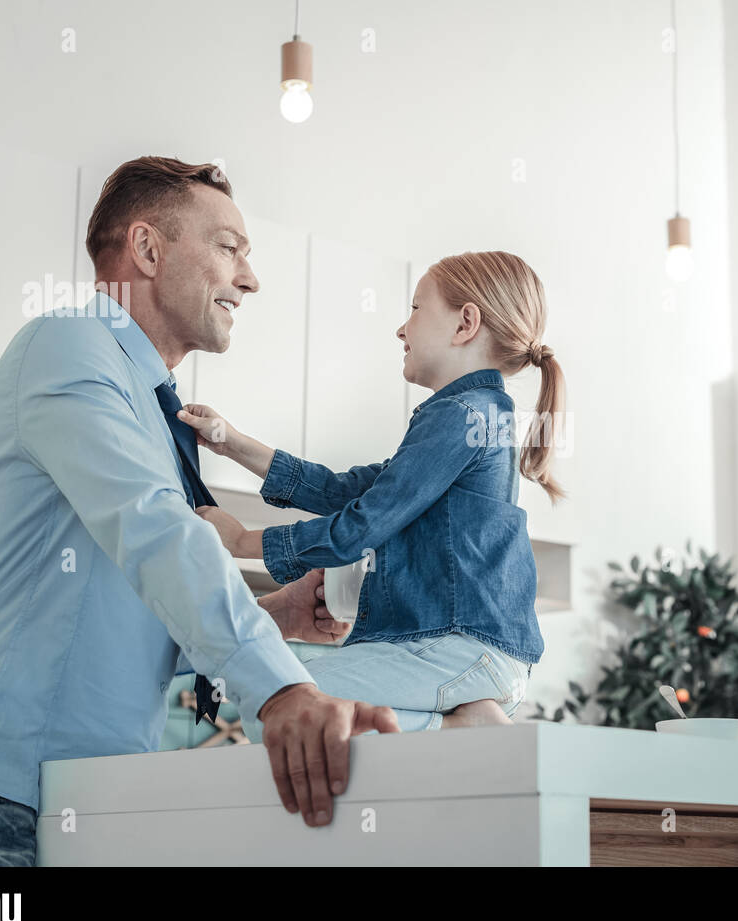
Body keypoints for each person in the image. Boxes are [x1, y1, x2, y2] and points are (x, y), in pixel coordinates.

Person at [0, 157, 492, 867]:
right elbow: (157, 531)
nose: (249, 279)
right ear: (149, 250)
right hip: (1, 805)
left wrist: (273, 617)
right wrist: (280, 691)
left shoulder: (152, 403)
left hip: (95, 801)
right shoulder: (67, 348)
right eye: (229, 248)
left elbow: (126, 608)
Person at [180, 251, 564, 736]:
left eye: (417, 309)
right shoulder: (475, 417)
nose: (401, 330)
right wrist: (232, 444)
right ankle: (461, 725)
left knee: (277, 706)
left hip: (454, 648)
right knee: (289, 709)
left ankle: (457, 727)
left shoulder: (463, 415)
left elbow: (363, 523)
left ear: (466, 323)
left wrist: (241, 541)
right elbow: (347, 490)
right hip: (472, 656)